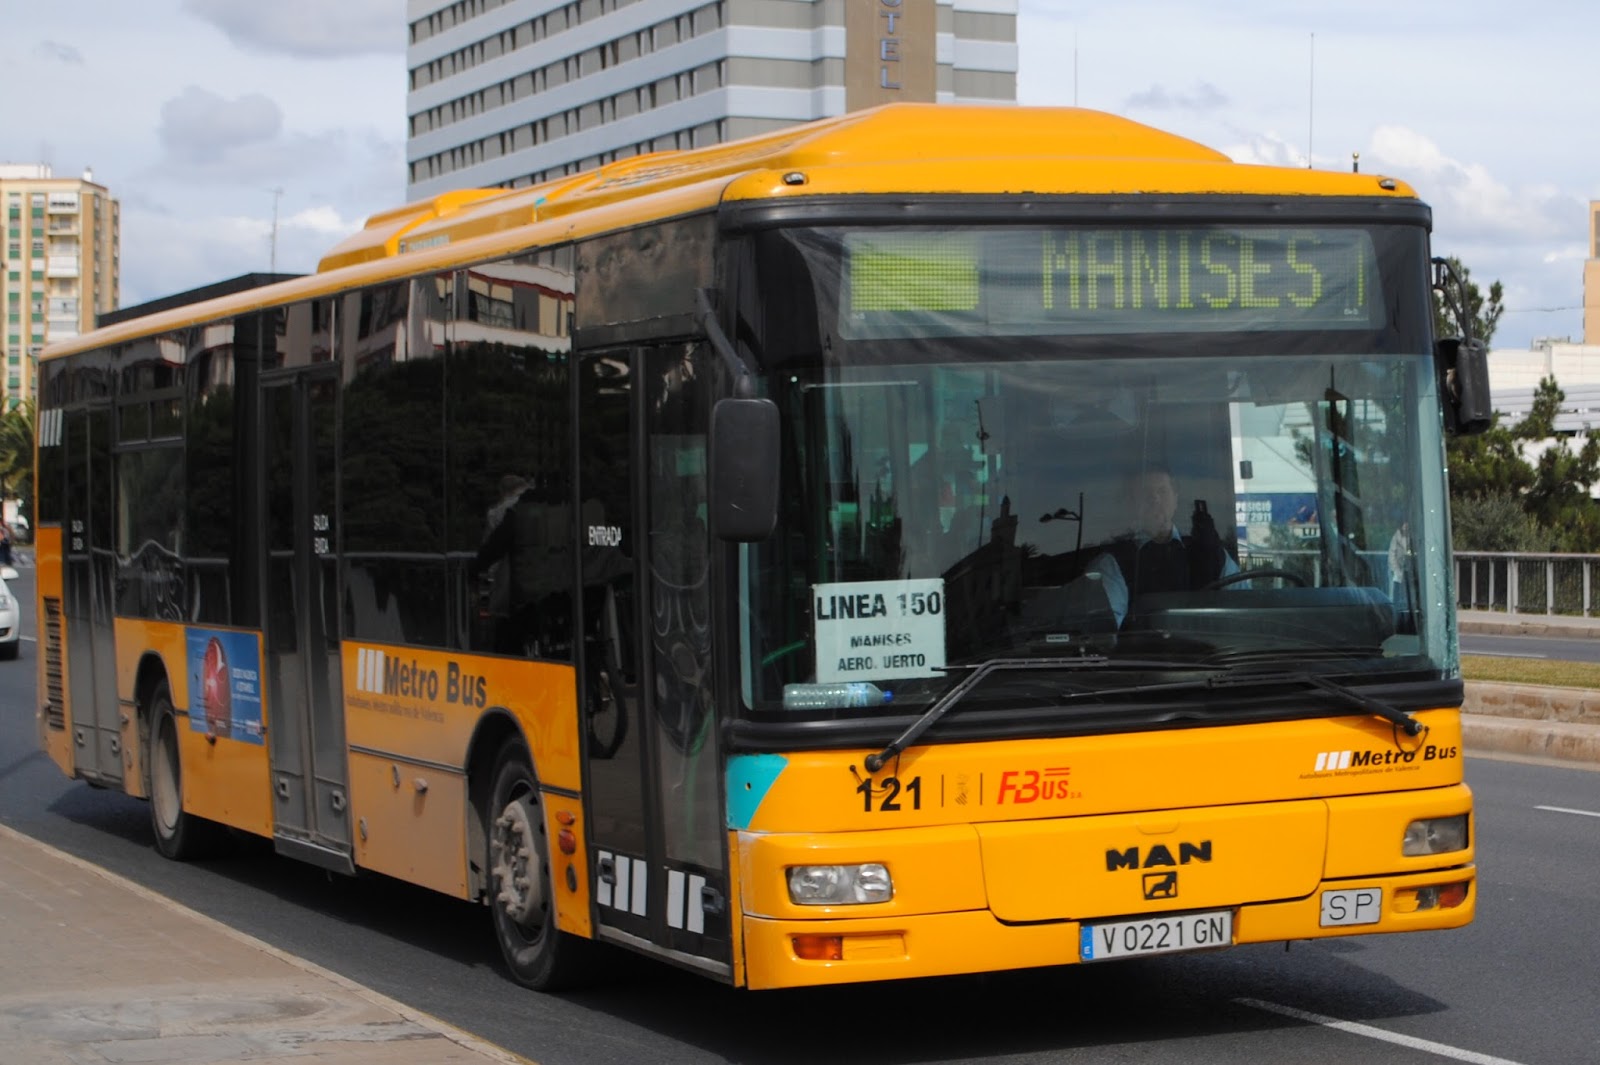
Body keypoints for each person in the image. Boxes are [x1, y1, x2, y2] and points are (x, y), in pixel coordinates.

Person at [1083, 465, 1240, 627]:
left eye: (1162, 491)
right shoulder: (1113, 564)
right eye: (1145, 493)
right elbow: (1105, 633)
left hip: (1216, 651)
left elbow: (1243, 610)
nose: (1155, 499)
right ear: (1132, 504)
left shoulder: (1212, 554)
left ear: (1175, 499)